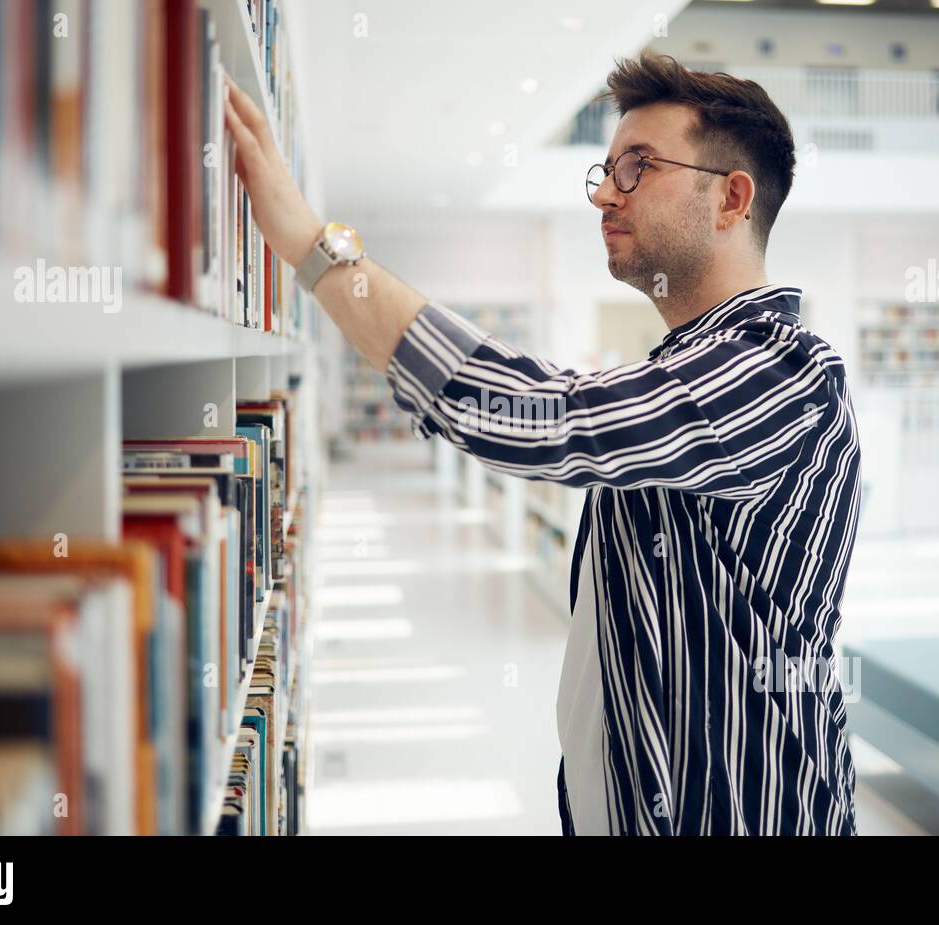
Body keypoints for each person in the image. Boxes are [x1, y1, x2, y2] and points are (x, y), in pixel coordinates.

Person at [225, 51, 863, 835]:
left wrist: (314, 250)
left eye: (638, 168)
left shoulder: (780, 369)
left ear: (731, 198)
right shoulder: (691, 367)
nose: (603, 192)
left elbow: (542, 415)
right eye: (605, 169)